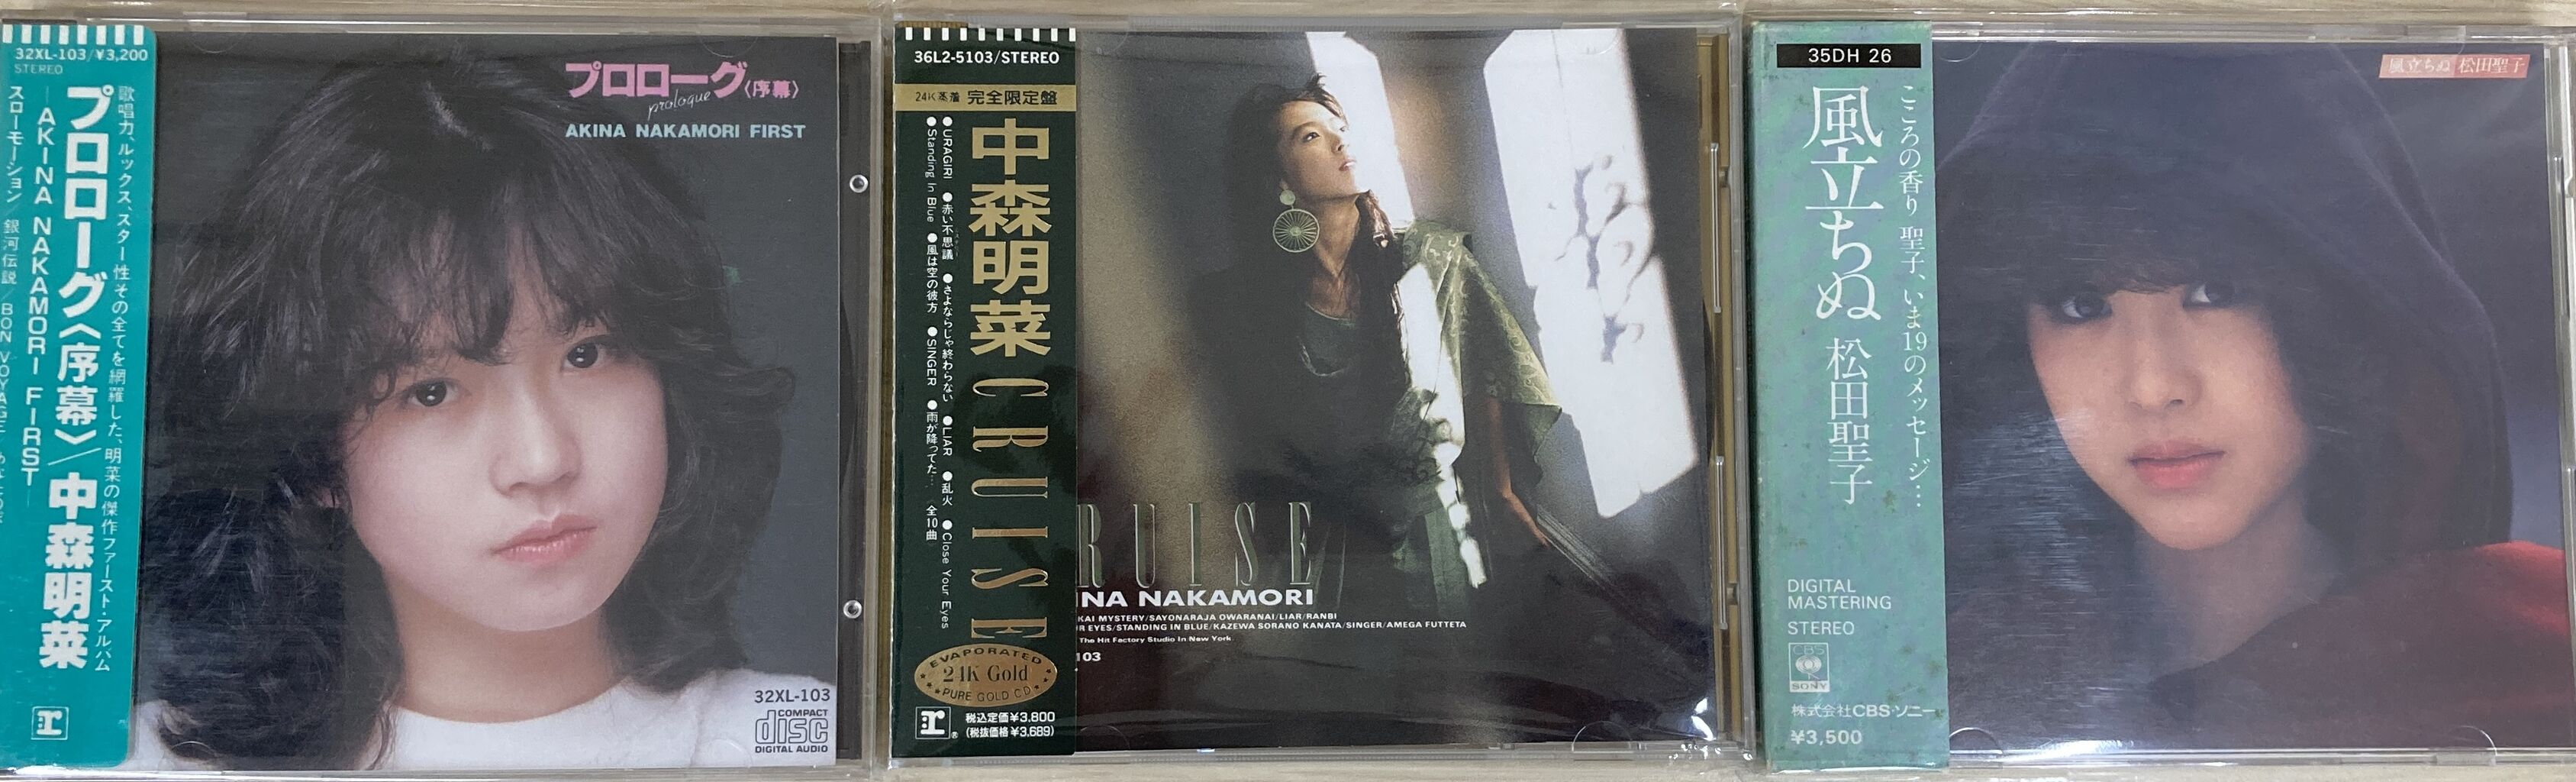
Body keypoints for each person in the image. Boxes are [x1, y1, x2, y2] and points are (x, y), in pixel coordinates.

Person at [130, 55, 825, 770]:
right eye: (431, 391)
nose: (542, 461)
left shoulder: (802, 743)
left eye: (588, 353)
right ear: (310, 456)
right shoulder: (134, 766)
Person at [1938, 44, 2575, 751]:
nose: (2153, 387)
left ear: (2339, 310)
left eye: (2215, 293)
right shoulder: (1923, 695)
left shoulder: (2531, 670)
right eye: (2081, 305)